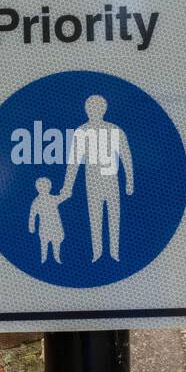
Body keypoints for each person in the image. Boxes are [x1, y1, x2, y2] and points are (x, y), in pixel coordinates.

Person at [58, 94, 134, 261]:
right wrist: (68, 186)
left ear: (104, 109)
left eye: (98, 107)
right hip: (92, 180)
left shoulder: (114, 130)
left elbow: (126, 157)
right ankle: (97, 253)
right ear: (86, 110)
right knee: (95, 217)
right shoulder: (82, 131)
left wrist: (130, 182)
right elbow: (74, 162)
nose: (94, 110)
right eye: (90, 107)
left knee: (114, 216)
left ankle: (114, 252)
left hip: (111, 179)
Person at [28, 177, 66, 264]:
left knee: (56, 242)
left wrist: (66, 193)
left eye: (46, 186)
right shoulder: (37, 201)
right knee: (44, 244)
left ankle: (57, 257)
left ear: (49, 187)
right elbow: (32, 215)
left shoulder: (52, 198)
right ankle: (43, 259)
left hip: (56, 226)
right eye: (42, 187)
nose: (45, 188)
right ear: (38, 188)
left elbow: (62, 198)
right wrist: (31, 227)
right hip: (44, 227)